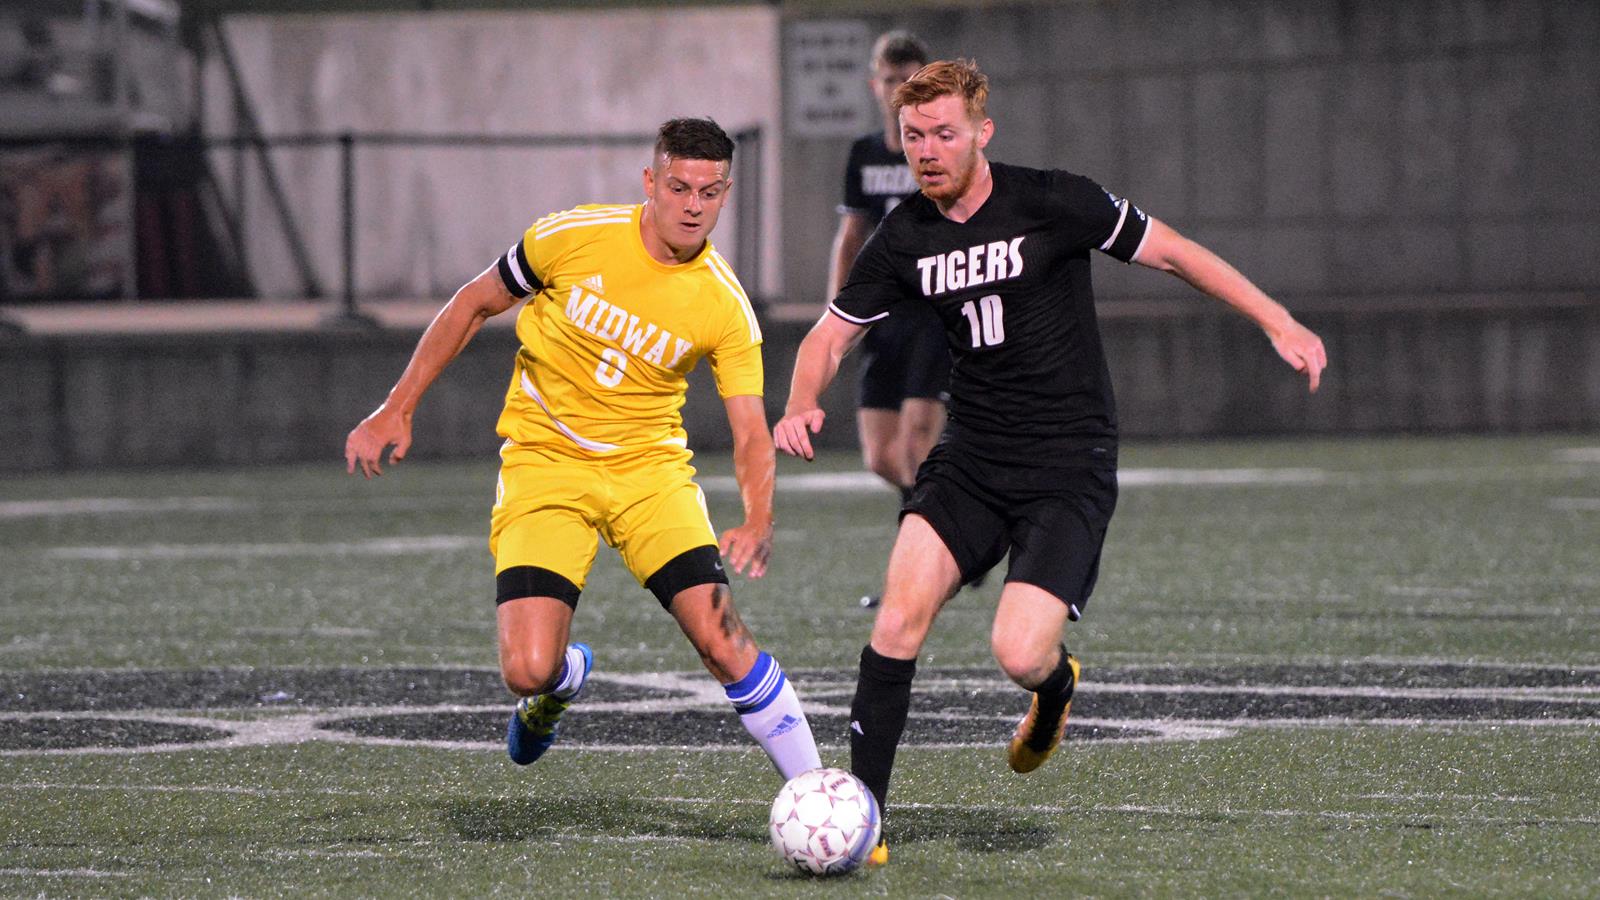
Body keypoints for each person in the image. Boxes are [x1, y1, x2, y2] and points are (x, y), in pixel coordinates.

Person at [774, 60, 1326, 864]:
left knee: (1018, 653)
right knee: (896, 619)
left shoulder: (1054, 200)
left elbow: (1174, 252)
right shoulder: (905, 235)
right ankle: (868, 820)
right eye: (914, 135)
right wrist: (800, 401)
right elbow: (829, 335)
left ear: (982, 133)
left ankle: (1055, 687)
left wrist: (1275, 319)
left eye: (944, 134)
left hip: (1069, 459)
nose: (927, 150)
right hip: (971, 455)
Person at [347, 118, 821, 782]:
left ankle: (817, 789)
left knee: (723, 641)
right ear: (650, 182)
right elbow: (471, 304)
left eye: (709, 193)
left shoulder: (724, 304)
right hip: (546, 464)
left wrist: (759, 518)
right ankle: (561, 681)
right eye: (679, 187)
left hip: (648, 476)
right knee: (527, 669)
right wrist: (396, 407)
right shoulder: (573, 237)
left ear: (726, 192)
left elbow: (749, 429)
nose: (692, 205)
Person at [828, 31, 949, 609]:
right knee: (882, 455)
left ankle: (919, 577)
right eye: (892, 79)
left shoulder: (943, 147)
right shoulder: (864, 154)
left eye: (913, 80)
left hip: (934, 310)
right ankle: (954, 528)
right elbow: (850, 236)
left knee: (919, 446)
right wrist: (838, 315)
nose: (902, 90)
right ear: (876, 85)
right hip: (883, 313)